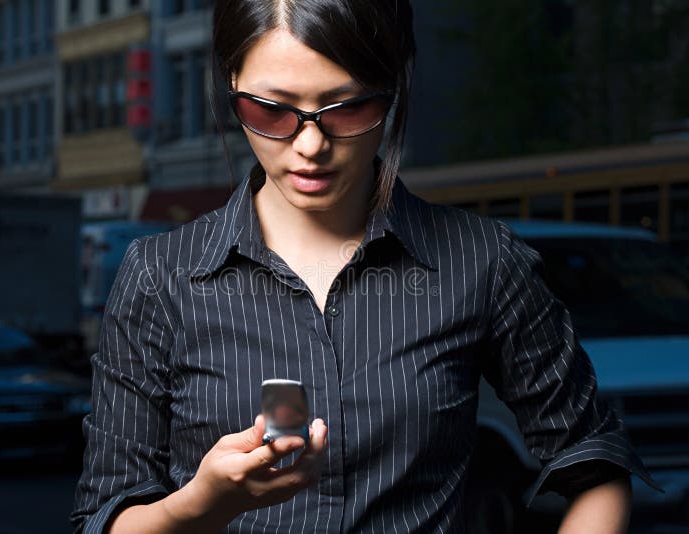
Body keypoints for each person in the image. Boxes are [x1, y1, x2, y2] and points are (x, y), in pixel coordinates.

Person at [70, 1, 663, 532]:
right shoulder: (160, 276)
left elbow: (592, 454)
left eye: (348, 109)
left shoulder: (480, 261)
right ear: (232, 84)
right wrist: (201, 505)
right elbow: (105, 513)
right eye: (271, 111)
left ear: (392, 88)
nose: (310, 145)